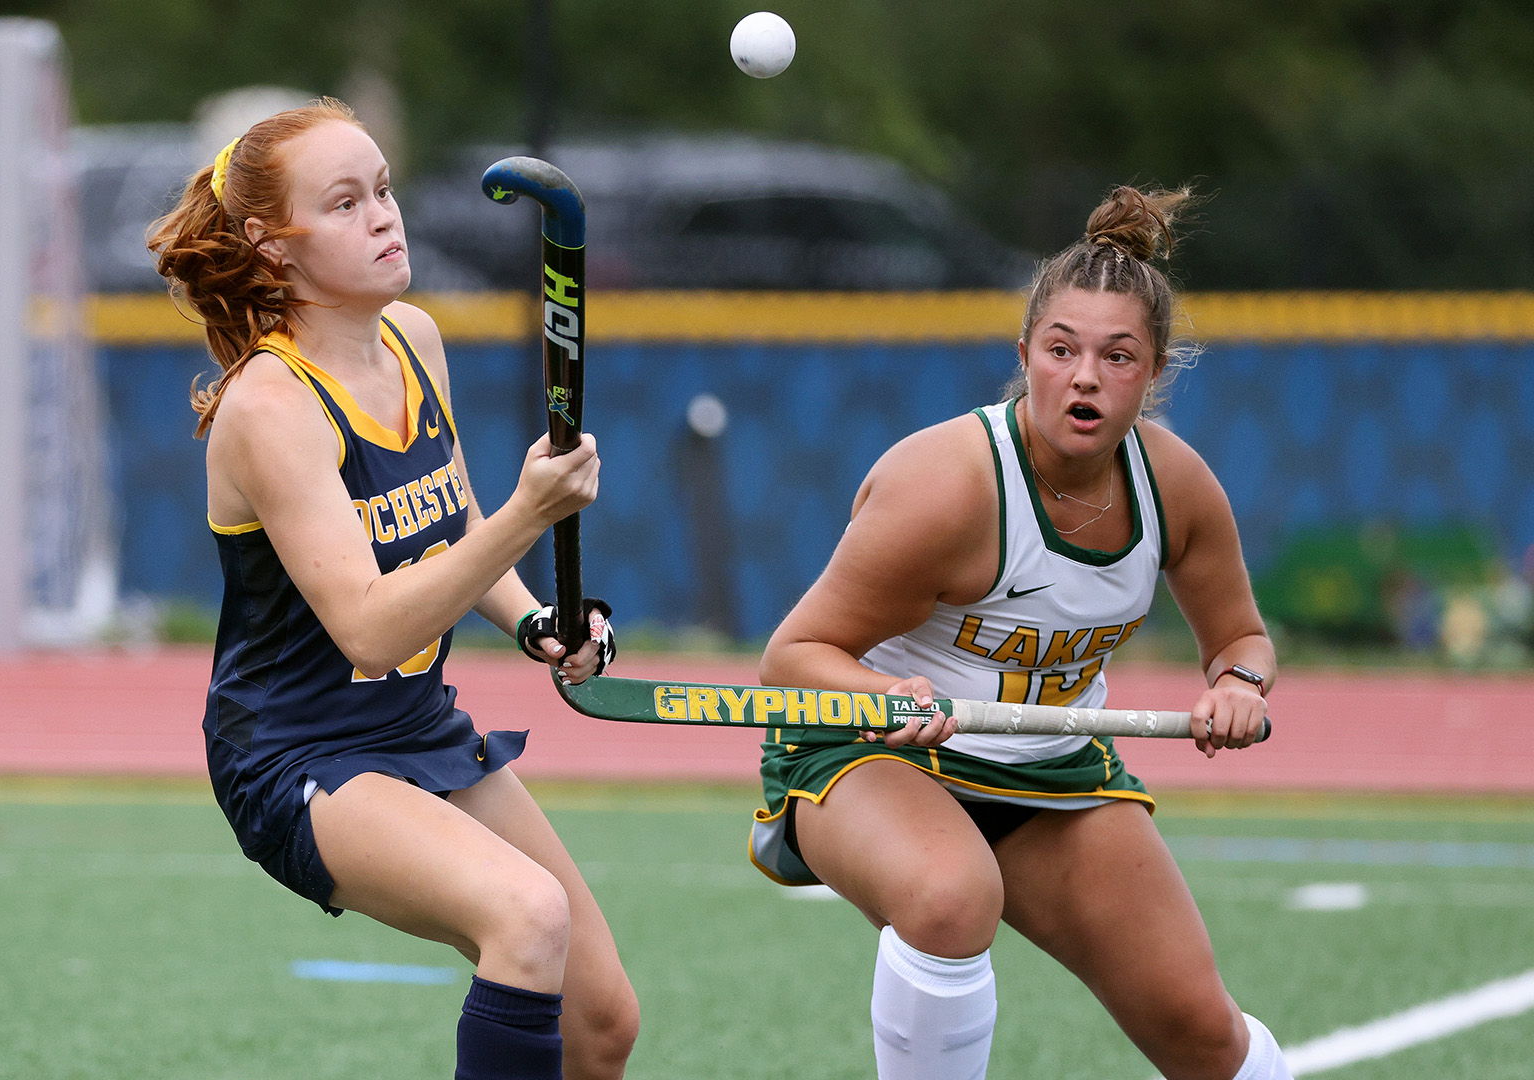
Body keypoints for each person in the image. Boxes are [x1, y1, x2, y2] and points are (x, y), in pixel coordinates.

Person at [750, 187, 1290, 1080]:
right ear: (1026, 356)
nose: (1085, 377)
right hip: (873, 753)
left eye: (1118, 357)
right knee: (950, 898)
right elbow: (793, 658)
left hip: (1052, 770)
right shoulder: (947, 487)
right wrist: (886, 697)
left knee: (1201, 1030)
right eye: (1062, 350)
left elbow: (1241, 637)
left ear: (1152, 373)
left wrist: (1239, 685)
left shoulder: (1177, 486)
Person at [148, 98, 638, 1080]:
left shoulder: (413, 338)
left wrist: (535, 616)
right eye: (343, 203)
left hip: (417, 727)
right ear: (269, 246)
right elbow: (371, 626)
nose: (383, 216)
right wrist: (528, 514)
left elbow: (444, 533)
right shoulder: (272, 407)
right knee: (526, 913)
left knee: (600, 1022)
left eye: (382, 189)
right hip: (296, 754)